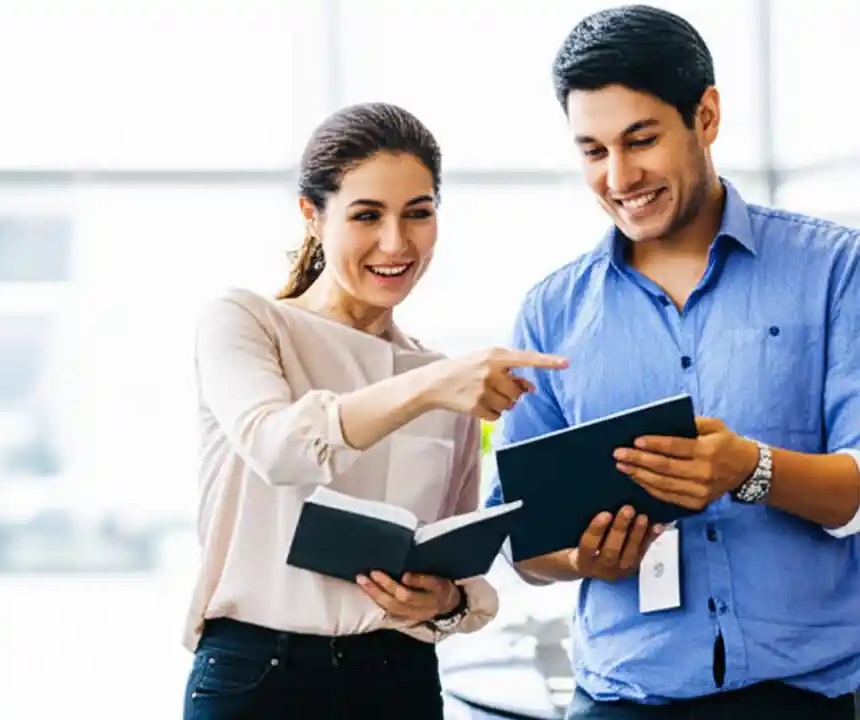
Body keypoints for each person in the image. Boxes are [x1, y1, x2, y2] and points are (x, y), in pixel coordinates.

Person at [484, 5, 860, 719]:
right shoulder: (552, 313)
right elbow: (521, 539)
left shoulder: (835, 269)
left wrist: (750, 468)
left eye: (641, 139)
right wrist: (581, 561)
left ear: (706, 116)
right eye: (593, 151)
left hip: (801, 694)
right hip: (623, 691)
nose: (619, 176)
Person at [181, 101, 569, 719]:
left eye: (419, 214)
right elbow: (280, 448)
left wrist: (443, 600)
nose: (396, 242)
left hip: (398, 677)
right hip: (259, 677)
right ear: (312, 216)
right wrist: (430, 386)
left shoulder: (444, 380)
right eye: (367, 215)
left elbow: (456, 557)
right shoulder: (247, 323)